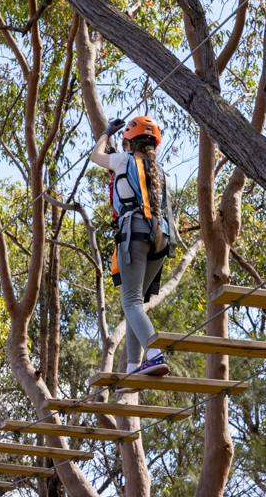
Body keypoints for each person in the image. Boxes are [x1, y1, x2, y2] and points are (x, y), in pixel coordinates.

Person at [91, 116, 179, 389]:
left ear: (129, 141)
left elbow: (96, 156)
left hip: (135, 232)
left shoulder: (122, 160)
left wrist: (106, 132)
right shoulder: (161, 172)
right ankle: (133, 369)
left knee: (130, 302)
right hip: (161, 237)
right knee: (136, 303)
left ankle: (154, 354)